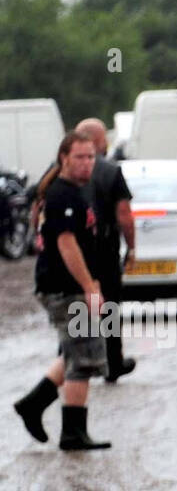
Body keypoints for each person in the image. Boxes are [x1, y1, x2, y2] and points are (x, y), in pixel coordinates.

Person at [13, 131, 111, 450]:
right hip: (65, 289)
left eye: (91, 157)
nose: (86, 163)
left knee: (73, 350)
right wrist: (89, 287)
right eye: (80, 157)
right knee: (83, 358)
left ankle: (33, 403)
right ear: (64, 158)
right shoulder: (62, 195)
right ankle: (73, 432)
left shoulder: (70, 191)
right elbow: (66, 244)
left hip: (68, 286)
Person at [75, 117, 136, 381]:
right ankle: (112, 362)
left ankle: (76, 360)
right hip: (105, 249)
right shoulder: (111, 171)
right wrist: (131, 247)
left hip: (73, 250)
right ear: (99, 141)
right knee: (109, 305)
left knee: (78, 302)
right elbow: (124, 214)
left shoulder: (60, 168)